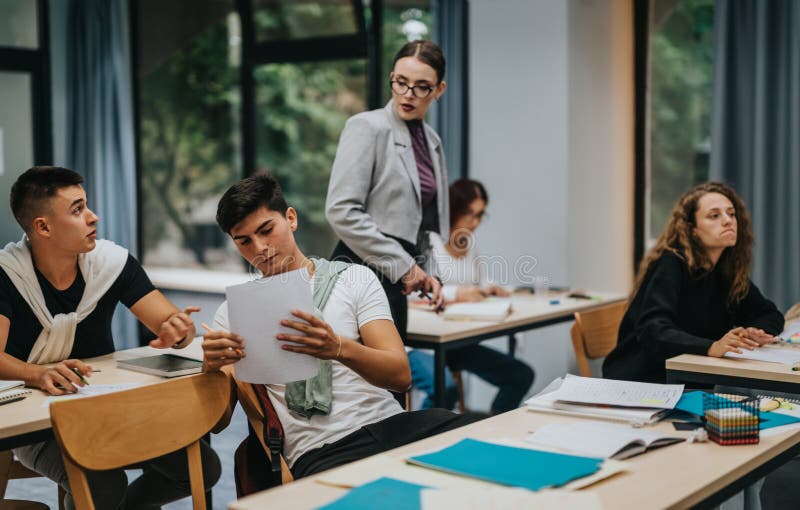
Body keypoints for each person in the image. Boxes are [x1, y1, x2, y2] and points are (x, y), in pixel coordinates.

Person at [201, 174, 481, 479]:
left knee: (484, 446)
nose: (259, 248)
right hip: (322, 451)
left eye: (266, 230)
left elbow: (400, 377)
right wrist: (210, 370)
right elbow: (218, 424)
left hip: (393, 426)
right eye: (244, 241)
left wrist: (338, 348)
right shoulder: (233, 314)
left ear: (291, 218)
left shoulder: (354, 278)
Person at [0, 166, 220, 510]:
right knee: (101, 483)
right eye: (77, 210)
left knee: (202, 469)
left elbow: (169, 321)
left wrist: (178, 331)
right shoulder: (6, 275)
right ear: (43, 226)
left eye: (87, 205)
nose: (93, 217)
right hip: (37, 422)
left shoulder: (111, 263)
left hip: (108, 406)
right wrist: (39, 373)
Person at [325, 40, 449, 341]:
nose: (408, 94)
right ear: (391, 78)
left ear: (439, 90)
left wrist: (429, 274)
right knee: (368, 383)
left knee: (394, 383)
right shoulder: (367, 126)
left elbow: (423, 224)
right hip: (358, 270)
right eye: (401, 82)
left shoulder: (431, 141)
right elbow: (341, 211)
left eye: (422, 87)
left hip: (397, 277)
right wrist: (405, 266)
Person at [603, 181, 784, 384]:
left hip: (694, 373)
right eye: (714, 216)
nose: (728, 221)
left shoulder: (726, 269)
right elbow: (653, 330)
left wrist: (755, 332)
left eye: (731, 214)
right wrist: (710, 347)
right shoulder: (671, 263)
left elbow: (770, 314)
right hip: (646, 378)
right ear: (692, 230)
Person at [408, 179, 534, 413]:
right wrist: (459, 293)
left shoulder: (470, 242)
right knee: (445, 389)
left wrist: (491, 288)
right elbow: (414, 293)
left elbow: (477, 281)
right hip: (423, 343)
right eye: (469, 214)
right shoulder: (428, 241)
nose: (474, 222)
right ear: (453, 208)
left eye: (480, 215)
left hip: (455, 340)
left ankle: (492, 430)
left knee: (520, 375)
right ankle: (423, 435)